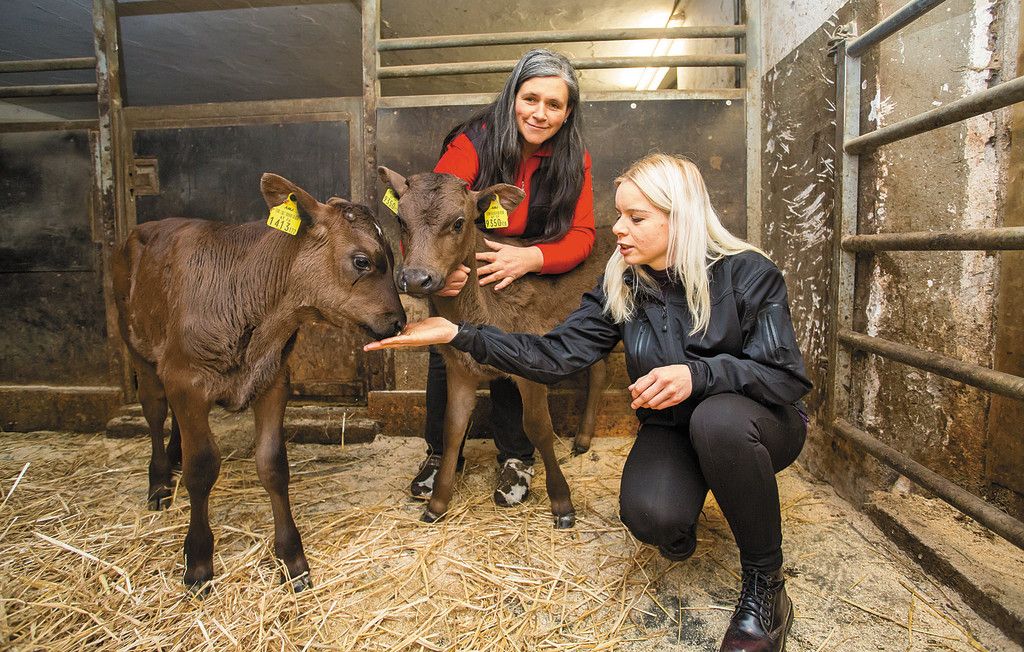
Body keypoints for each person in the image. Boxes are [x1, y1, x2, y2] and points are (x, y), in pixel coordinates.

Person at [367, 153, 811, 652]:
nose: (617, 229)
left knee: (717, 419)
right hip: (676, 427)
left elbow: (785, 378)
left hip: (759, 421)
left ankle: (766, 588)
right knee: (650, 516)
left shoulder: (749, 273)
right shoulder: (623, 280)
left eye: (636, 218)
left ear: (680, 216)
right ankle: (690, 499)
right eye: (620, 214)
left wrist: (700, 375)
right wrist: (461, 332)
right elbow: (554, 354)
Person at [411, 48, 596, 508]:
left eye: (554, 104)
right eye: (530, 98)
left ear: (568, 111)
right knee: (451, 345)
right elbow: (431, 211)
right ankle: (440, 454)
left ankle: (516, 455)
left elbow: (584, 234)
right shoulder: (473, 142)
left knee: (518, 350)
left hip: (532, 261)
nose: (540, 113)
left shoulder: (575, 157)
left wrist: (533, 258)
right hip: (467, 254)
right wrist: (444, 275)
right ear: (513, 94)